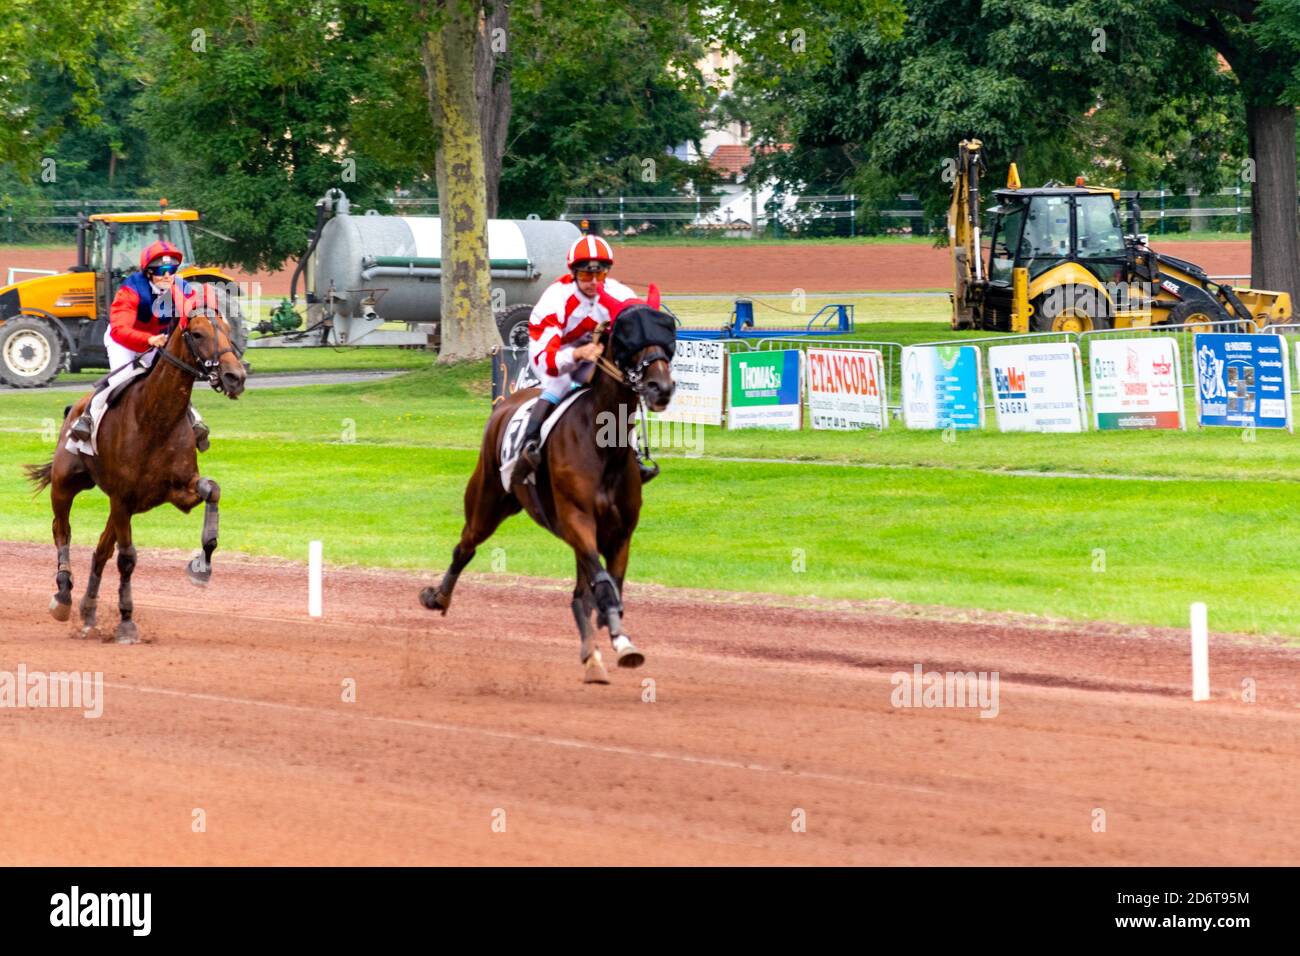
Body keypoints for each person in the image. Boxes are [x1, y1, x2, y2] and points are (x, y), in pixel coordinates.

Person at [513, 234, 656, 484]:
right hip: (553, 354)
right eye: (585, 275)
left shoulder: (618, 292)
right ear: (573, 274)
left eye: (599, 275)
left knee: (620, 388)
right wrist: (576, 354)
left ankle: (631, 452)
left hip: (595, 352)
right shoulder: (555, 299)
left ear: (607, 274)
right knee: (560, 383)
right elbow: (546, 360)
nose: (592, 282)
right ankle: (530, 445)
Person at [70, 240, 210, 451]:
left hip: (156, 341)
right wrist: (147, 340)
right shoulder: (130, 290)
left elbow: (195, 314)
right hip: (123, 341)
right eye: (161, 270)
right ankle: (88, 418)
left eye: (172, 269)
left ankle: (194, 419)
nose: (167, 275)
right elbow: (120, 330)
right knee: (122, 379)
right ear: (148, 272)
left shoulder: (181, 289)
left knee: (169, 379)